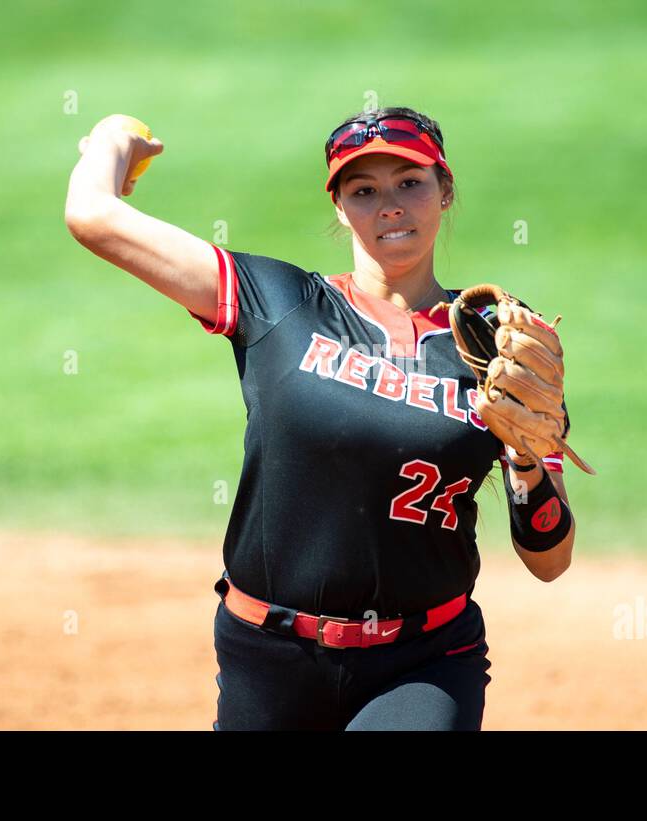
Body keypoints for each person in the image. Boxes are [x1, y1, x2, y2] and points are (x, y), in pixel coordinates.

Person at [64, 106, 578, 730]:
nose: (390, 205)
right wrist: (114, 142)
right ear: (339, 207)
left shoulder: (493, 340)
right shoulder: (277, 303)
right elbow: (92, 216)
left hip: (423, 661)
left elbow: (550, 559)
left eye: (409, 182)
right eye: (364, 190)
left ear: (444, 191)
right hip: (268, 658)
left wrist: (525, 460)